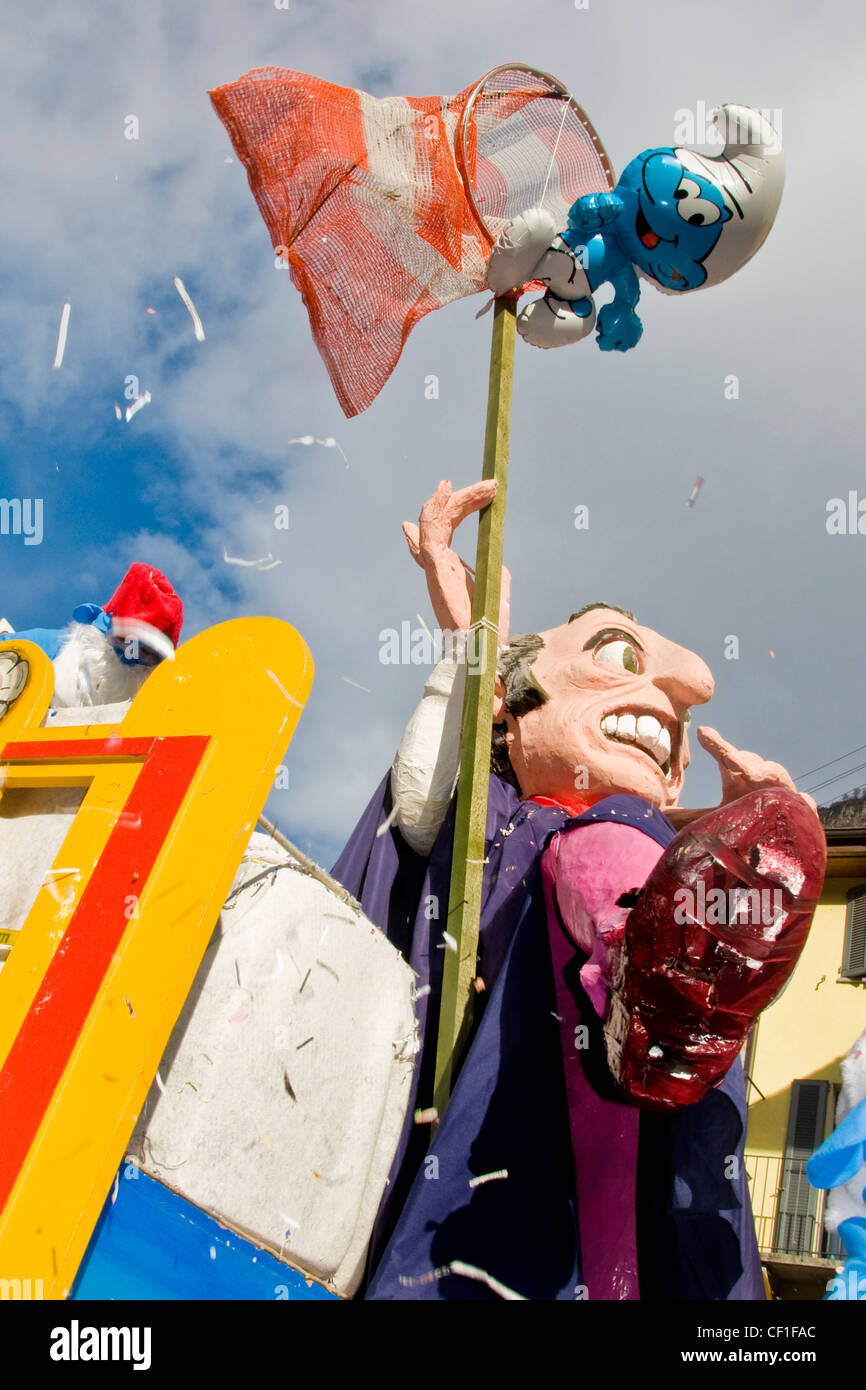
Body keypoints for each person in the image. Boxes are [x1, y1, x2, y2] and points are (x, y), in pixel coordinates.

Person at [333, 479, 823, 1301]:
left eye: (671, 700)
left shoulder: (658, 835)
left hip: (648, 1151)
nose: (676, 697)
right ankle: (641, 973)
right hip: (511, 1133)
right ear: (511, 709)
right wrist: (467, 643)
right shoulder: (501, 818)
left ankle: (658, 976)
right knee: (612, 833)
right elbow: (416, 807)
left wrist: (770, 829)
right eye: (619, 658)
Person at [0, 562, 183, 709]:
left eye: (149, 655)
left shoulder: (150, 701)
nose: (136, 657)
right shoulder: (44, 648)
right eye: (131, 644)